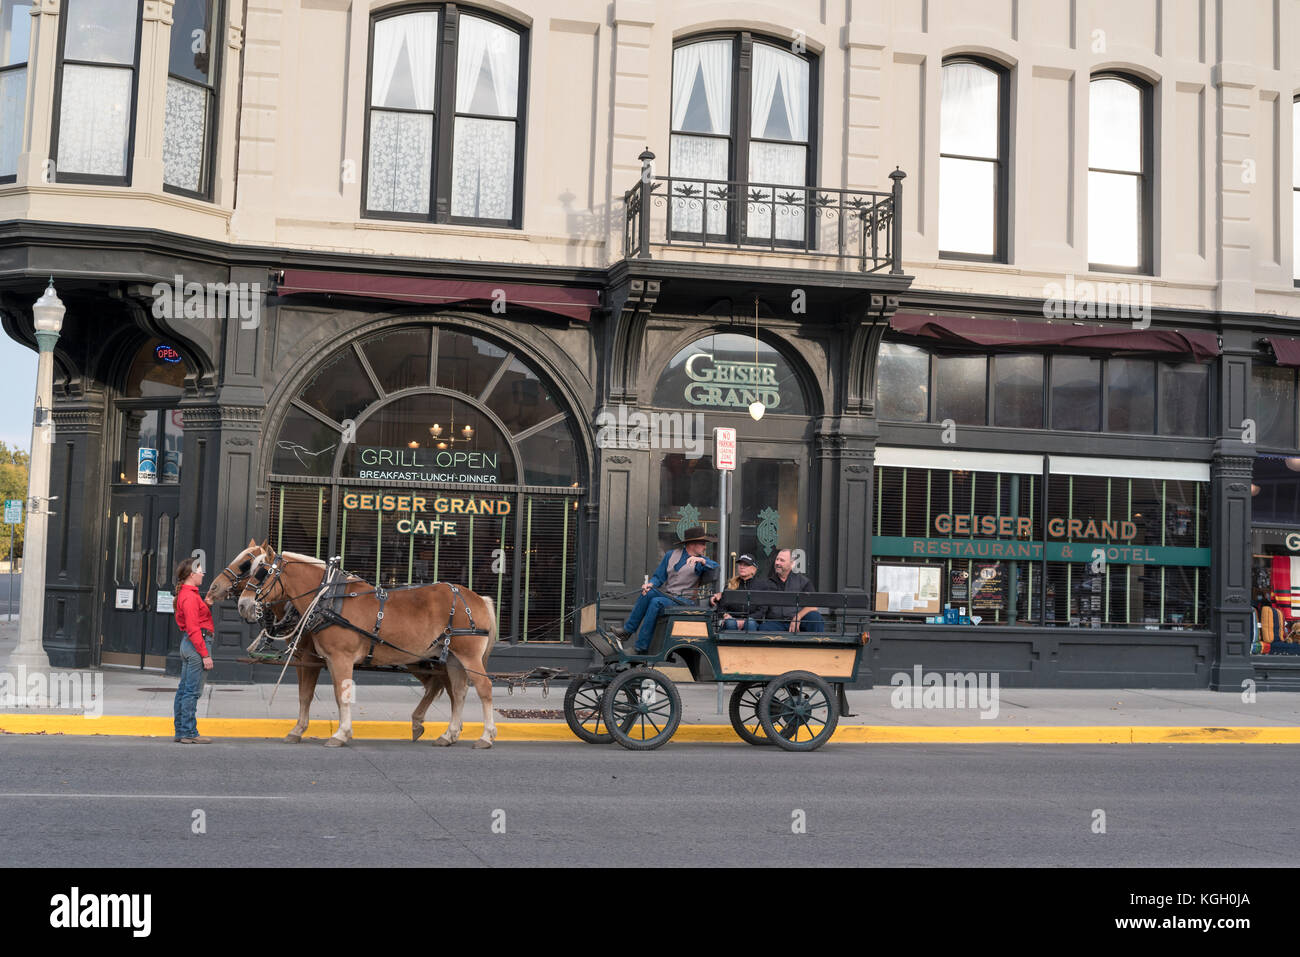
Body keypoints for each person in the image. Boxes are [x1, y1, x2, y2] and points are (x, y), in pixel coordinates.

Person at [615, 526, 719, 653]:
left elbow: (715, 568)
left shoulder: (701, 561)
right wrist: (650, 584)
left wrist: (701, 560)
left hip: (685, 600)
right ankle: (627, 631)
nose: (705, 547)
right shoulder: (671, 555)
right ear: (692, 544)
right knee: (648, 592)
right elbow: (658, 577)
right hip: (670, 596)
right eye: (702, 544)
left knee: (656, 601)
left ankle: (640, 648)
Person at [173, 557, 215, 743]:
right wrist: (205, 655)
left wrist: (206, 605)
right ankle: (189, 732)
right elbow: (193, 628)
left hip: (189, 645)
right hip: (197, 645)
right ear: (191, 575)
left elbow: (195, 619)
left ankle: (181, 731)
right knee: (192, 691)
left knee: (184, 689)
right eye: (200, 570)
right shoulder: (189, 597)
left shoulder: (188, 594)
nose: (203, 573)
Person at [755, 547, 824, 632]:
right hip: (777, 623)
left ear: (792, 564)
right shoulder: (767, 583)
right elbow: (761, 608)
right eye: (777, 559)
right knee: (763, 628)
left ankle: (816, 644)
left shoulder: (802, 581)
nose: (777, 563)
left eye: (782, 560)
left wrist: (797, 617)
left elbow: (813, 605)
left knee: (815, 617)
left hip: (799, 621)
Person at [711, 553, 765, 630]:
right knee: (730, 623)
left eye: (746, 565)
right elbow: (721, 607)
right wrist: (726, 615)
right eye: (740, 564)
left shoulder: (760, 586)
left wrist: (745, 620)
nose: (742, 567)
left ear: (753, 569)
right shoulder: (730, 584)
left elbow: (762, 610)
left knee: (750, 623)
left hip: (751, 622)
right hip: (732, 620)